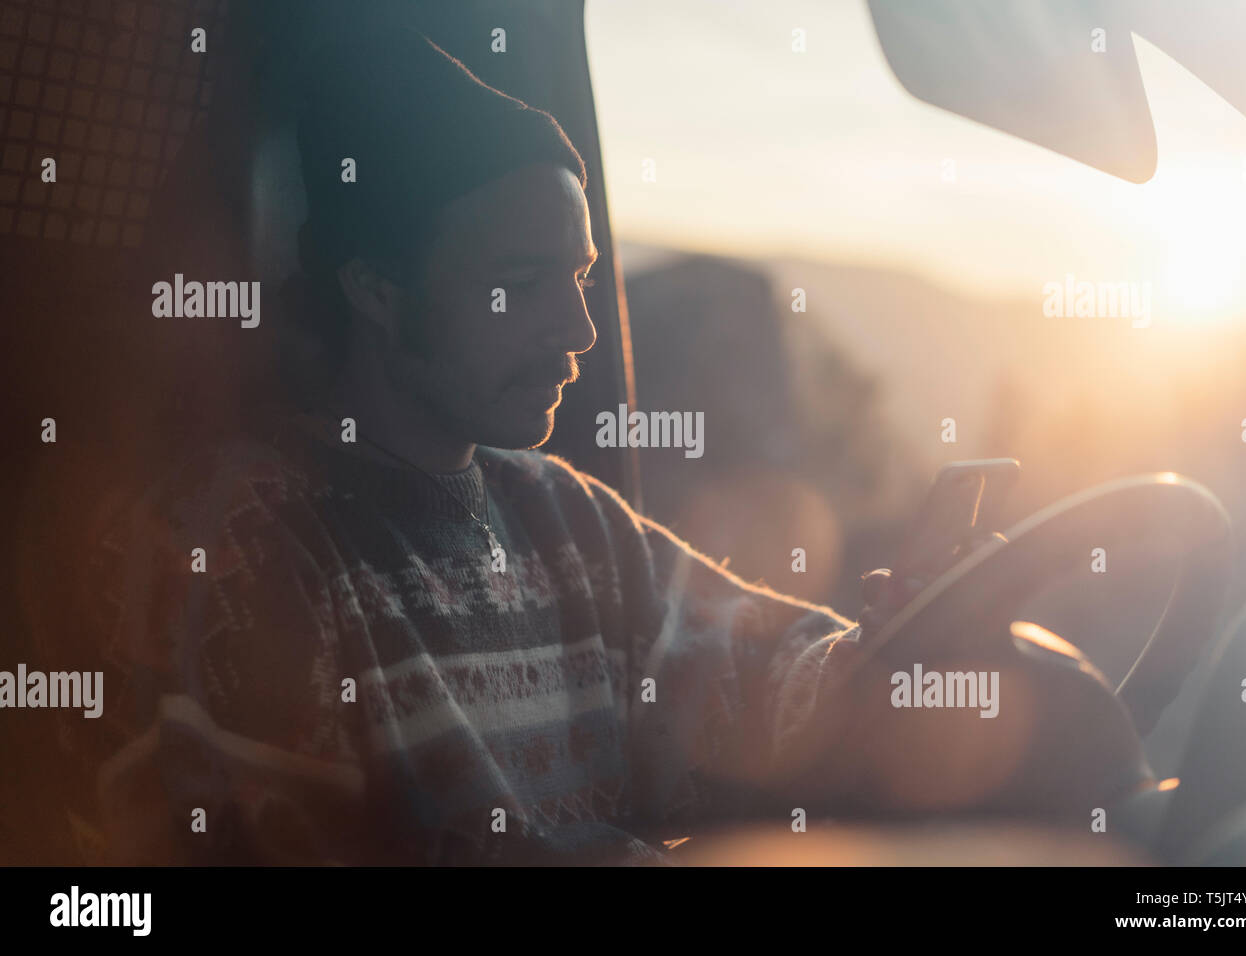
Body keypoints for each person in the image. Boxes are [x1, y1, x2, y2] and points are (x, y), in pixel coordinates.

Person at [67, 25, 1147, 866]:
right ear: (377, 289)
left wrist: (898, 639)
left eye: (582, 278)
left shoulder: (567, 518)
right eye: (522, 284)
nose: (579, 331)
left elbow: (762, 682)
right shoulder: (246, 543)